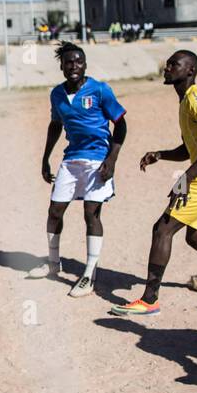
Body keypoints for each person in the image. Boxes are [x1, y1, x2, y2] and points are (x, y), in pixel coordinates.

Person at [112, 50, 197, 316]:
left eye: (174, 64)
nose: (167, 67)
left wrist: (186, 178)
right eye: (167, 64)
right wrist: (161, 155)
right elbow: (192, 148)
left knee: (161, 230)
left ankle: (149, 299)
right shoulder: (185, 101)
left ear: (190, 70)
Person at [31, 42, 128, 297]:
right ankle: (53, 264)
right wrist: (45, 158)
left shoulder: (99, 90)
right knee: (54, 211)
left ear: (85, 64)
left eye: (78, 62)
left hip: (98, 160)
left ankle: (89, 273)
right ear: (62, 66)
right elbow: (55, 125)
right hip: (71, 160)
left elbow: (121, 125)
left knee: (91, 214)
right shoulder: (57, 94)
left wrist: (112, 159)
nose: (73, 66)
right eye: (68, 62)